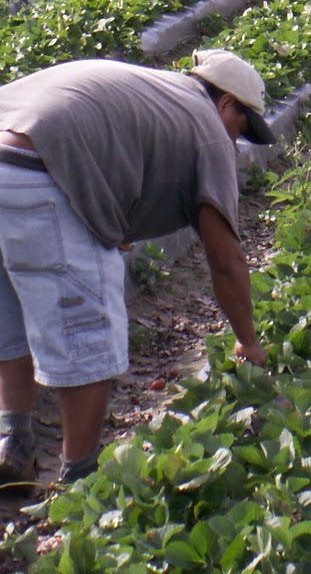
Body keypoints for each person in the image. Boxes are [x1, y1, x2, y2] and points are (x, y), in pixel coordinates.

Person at [0, 51, 272, 490]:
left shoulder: (155, 92)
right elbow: (225, 258)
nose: (236, 144)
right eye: (241, 129)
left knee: (11, 308)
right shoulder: (207, 129)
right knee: (87, 332)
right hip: (39, 171)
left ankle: (12, 441)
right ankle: (81, 483)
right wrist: (248, 341)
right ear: (225, 104)